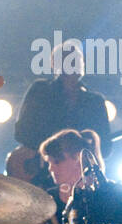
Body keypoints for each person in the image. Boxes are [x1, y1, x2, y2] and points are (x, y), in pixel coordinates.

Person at [10, 41, 111, 184]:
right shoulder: (40, 90)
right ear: (54, 64)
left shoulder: (95, 101)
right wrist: (53, 151)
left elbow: (105, 148)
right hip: (39, 177)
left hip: (79, 181)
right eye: (67, 59)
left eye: (77, 59)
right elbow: (21, 132)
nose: (73, 63)